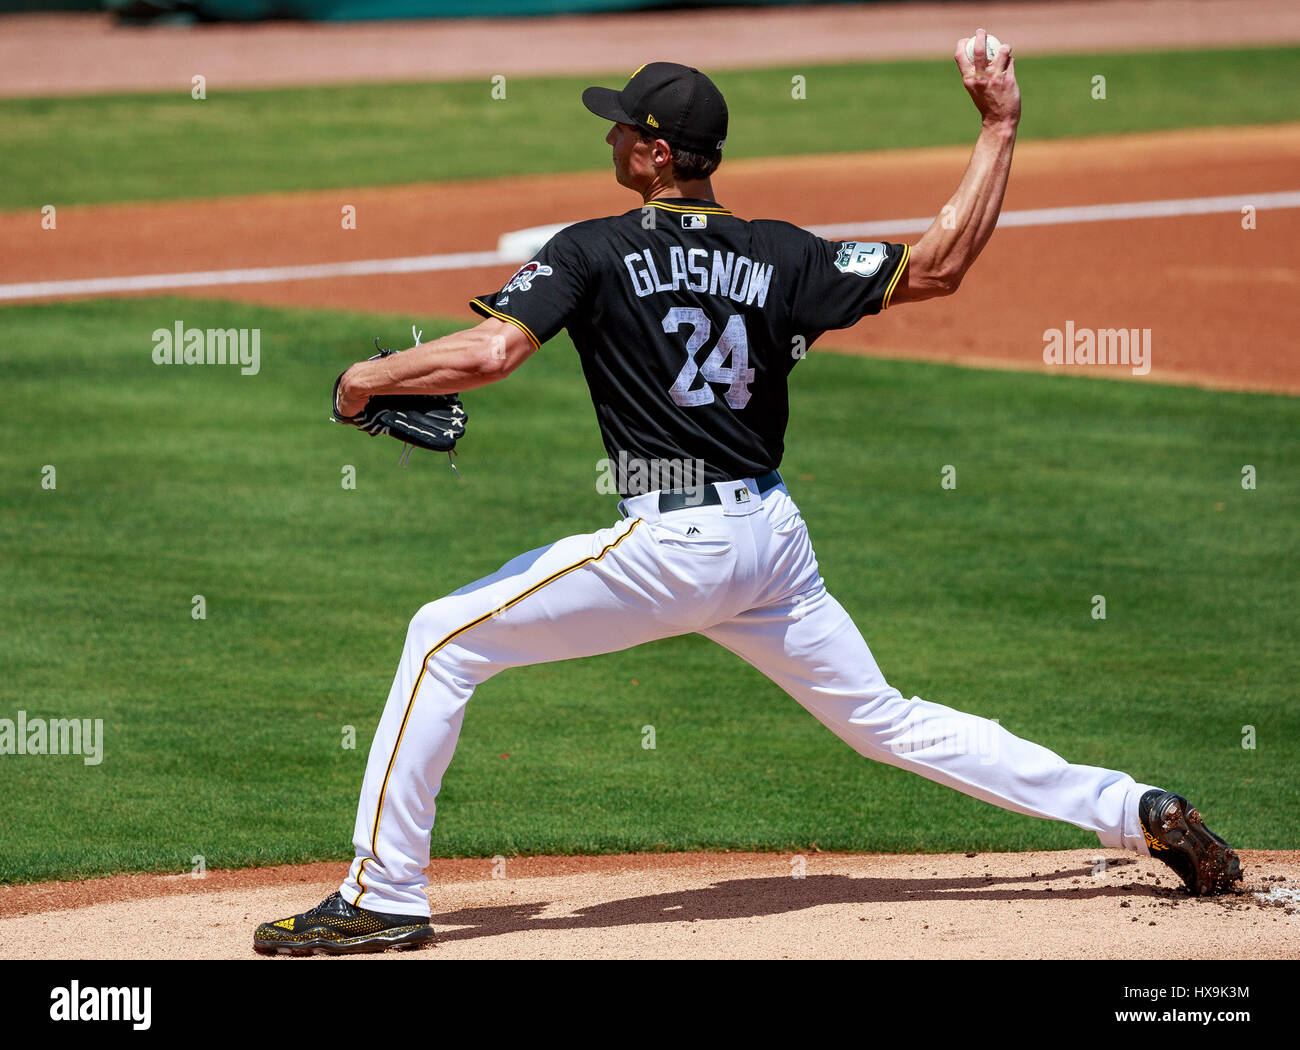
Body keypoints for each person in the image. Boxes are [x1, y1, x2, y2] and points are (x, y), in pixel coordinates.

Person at [253, 34, 1240, 956]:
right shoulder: (780, 253)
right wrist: (998, 125)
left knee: (441, 637)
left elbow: (492, 351)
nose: (606, 134)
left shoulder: (593, 248)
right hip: (771, 545)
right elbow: (938, 265)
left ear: (652, 153)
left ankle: (383, 898)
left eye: (618, 124)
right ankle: (1129, 805)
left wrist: (361, 381)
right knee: (885, 721)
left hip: (671, 545)